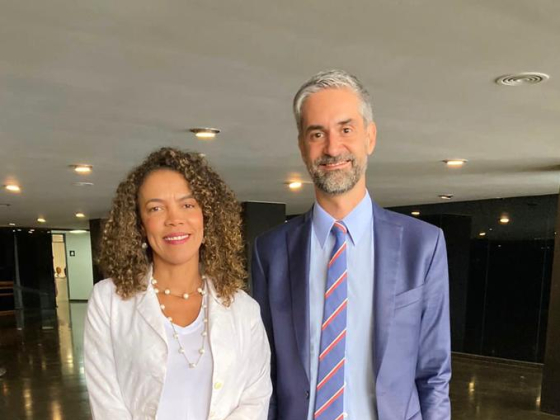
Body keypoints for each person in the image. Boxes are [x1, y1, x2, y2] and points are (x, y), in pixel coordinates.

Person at [252, 70, 451, 420]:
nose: (332, 148)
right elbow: (262, 374)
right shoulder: (270, 251)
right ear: (302, 147)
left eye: (346, 130)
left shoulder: (423, 246)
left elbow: (434, 375)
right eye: (317, 134)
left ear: (370, 137)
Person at [84, 147, 271, 420]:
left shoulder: (244, 309)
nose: (174, 219)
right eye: (156, 208)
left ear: (207, 215)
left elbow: (255, 397)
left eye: (188, 205)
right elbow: (107, 404)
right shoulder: (108, 301)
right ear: (139, 225)